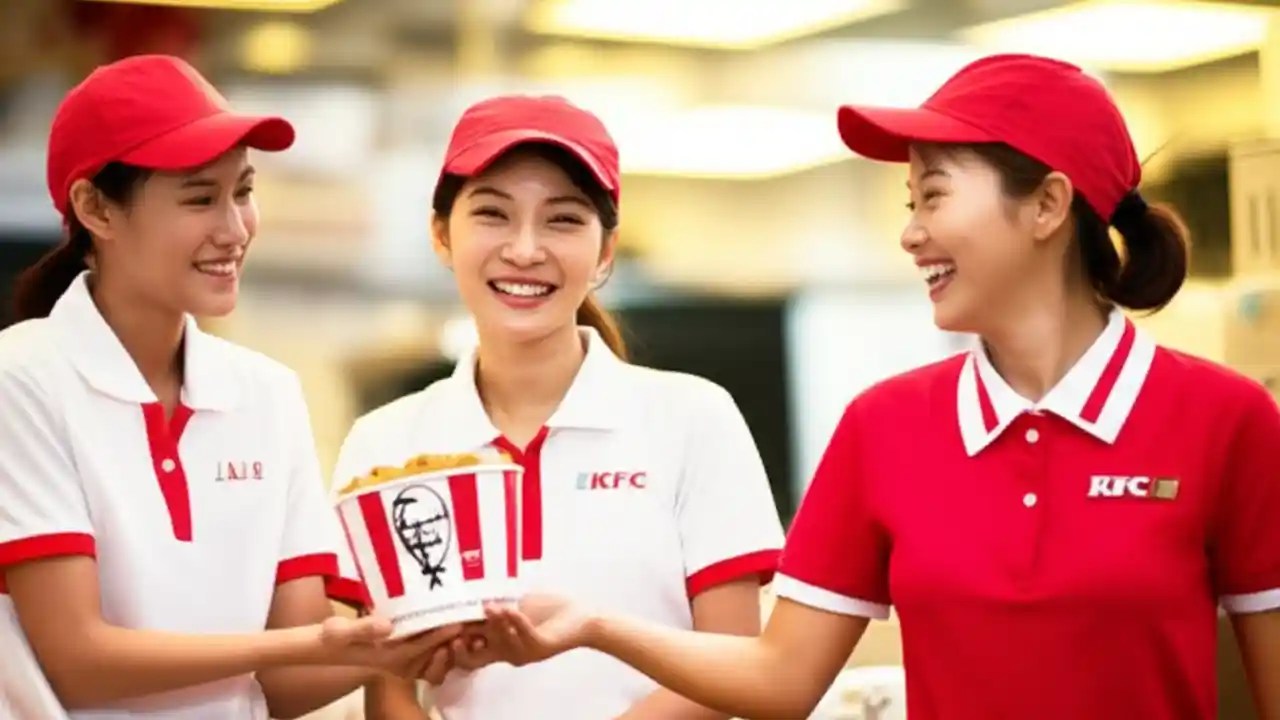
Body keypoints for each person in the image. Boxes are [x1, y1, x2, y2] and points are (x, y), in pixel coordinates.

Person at [473, 54, 1280, 720]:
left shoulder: (1228, 421)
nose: (910, 230)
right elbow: (781, 681)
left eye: (933, 194)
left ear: (1047, 204)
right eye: (910, 200)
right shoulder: (885, 427)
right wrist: (596, 627)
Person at [0, 55, 460, 720]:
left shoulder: (267, 395)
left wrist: (421, 636)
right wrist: (314, 642)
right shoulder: (22, 381)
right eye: (199, 198)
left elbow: (286, 681)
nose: (234, 228)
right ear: (95, 207)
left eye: (242, 192)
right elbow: (79, 662)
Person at [332, 94, 786, 720]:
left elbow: (733, 658)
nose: (524, 249)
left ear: (605, 252)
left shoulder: (692, 418)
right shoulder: (384, 443)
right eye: (492, 214)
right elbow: (387, 691)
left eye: (563, 220)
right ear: (441, 234)